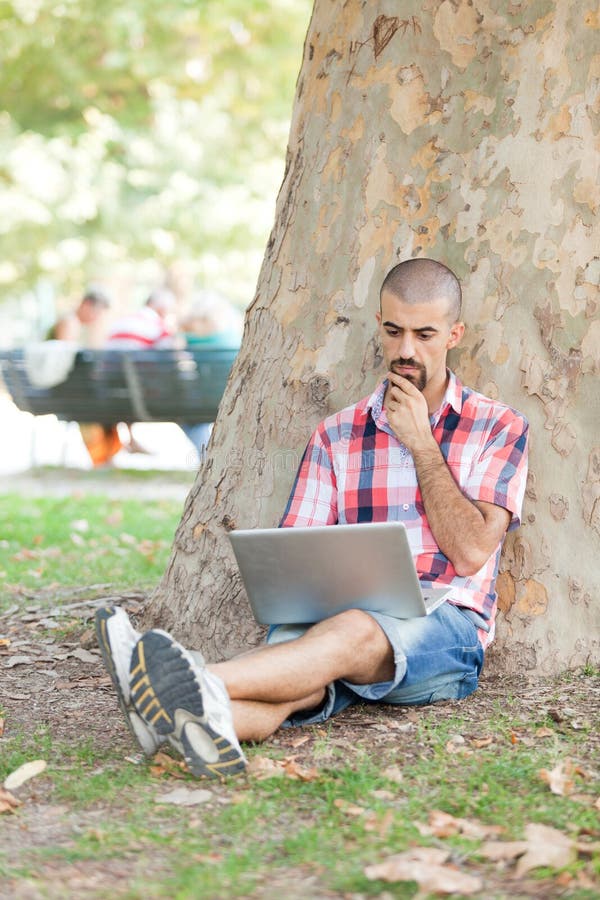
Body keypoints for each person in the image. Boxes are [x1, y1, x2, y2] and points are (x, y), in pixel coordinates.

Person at [95, 258, 529, 780]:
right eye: (393, 331)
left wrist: (420, 442)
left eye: (424, 334)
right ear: (379, 327)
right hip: (336, 627)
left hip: (447, 632)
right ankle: (182, 724)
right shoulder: (336, 434)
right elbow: (293, 557)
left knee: (347, 633)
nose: (406, 350)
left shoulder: (498, 427)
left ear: (454, 334)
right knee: (293, 672)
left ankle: (187, 678)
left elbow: (472, 551)